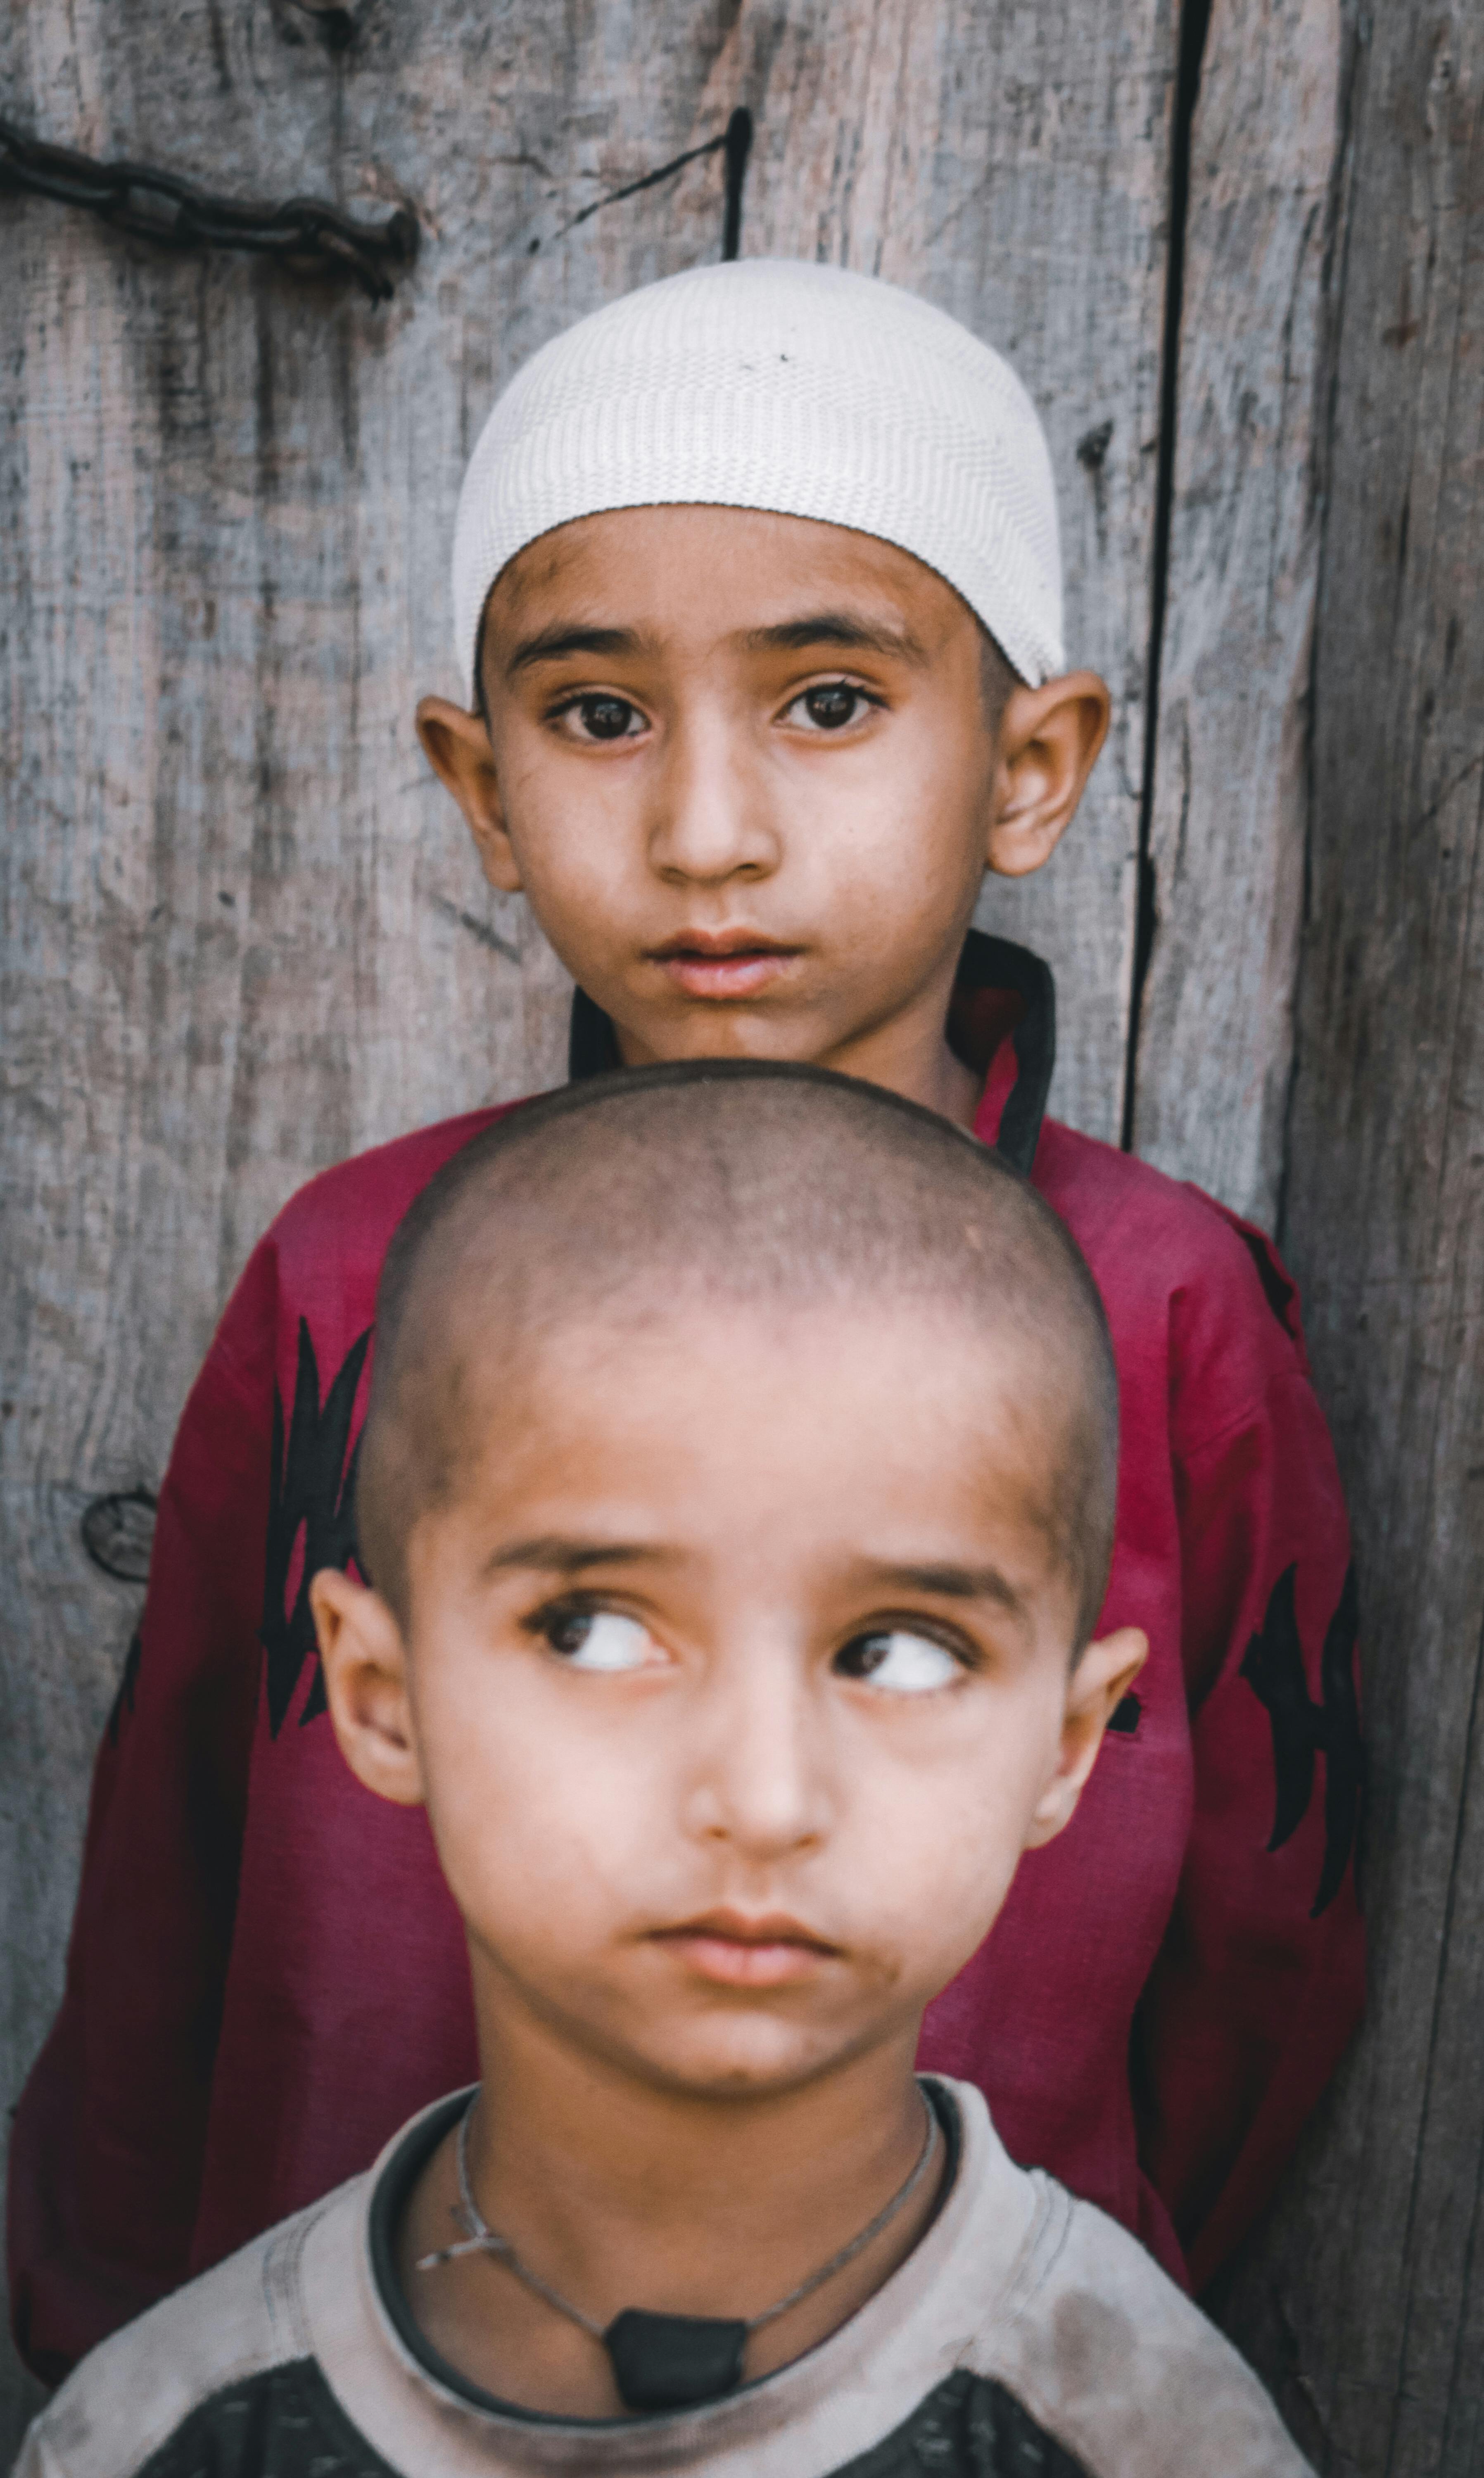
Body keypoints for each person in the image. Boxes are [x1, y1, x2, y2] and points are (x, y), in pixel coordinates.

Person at [7, 260, 1363, 2381]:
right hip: (340, 2364)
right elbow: (172, 1868)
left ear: (1031, 765)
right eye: (597, 713)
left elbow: (1263, 1950)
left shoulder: (1162, 1313)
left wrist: (1057, 2299)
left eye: (827, 702)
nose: (705, 832)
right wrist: (132, 2339)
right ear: (478, 780)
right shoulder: (357, 1281)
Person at [15, 1065, 1314, 2478]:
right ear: (382, 1701)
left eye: (899, 1652)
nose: (759, 1802)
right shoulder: (160, 2430)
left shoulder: (1145, 2431)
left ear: (1067, 1747)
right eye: (594, 1630)